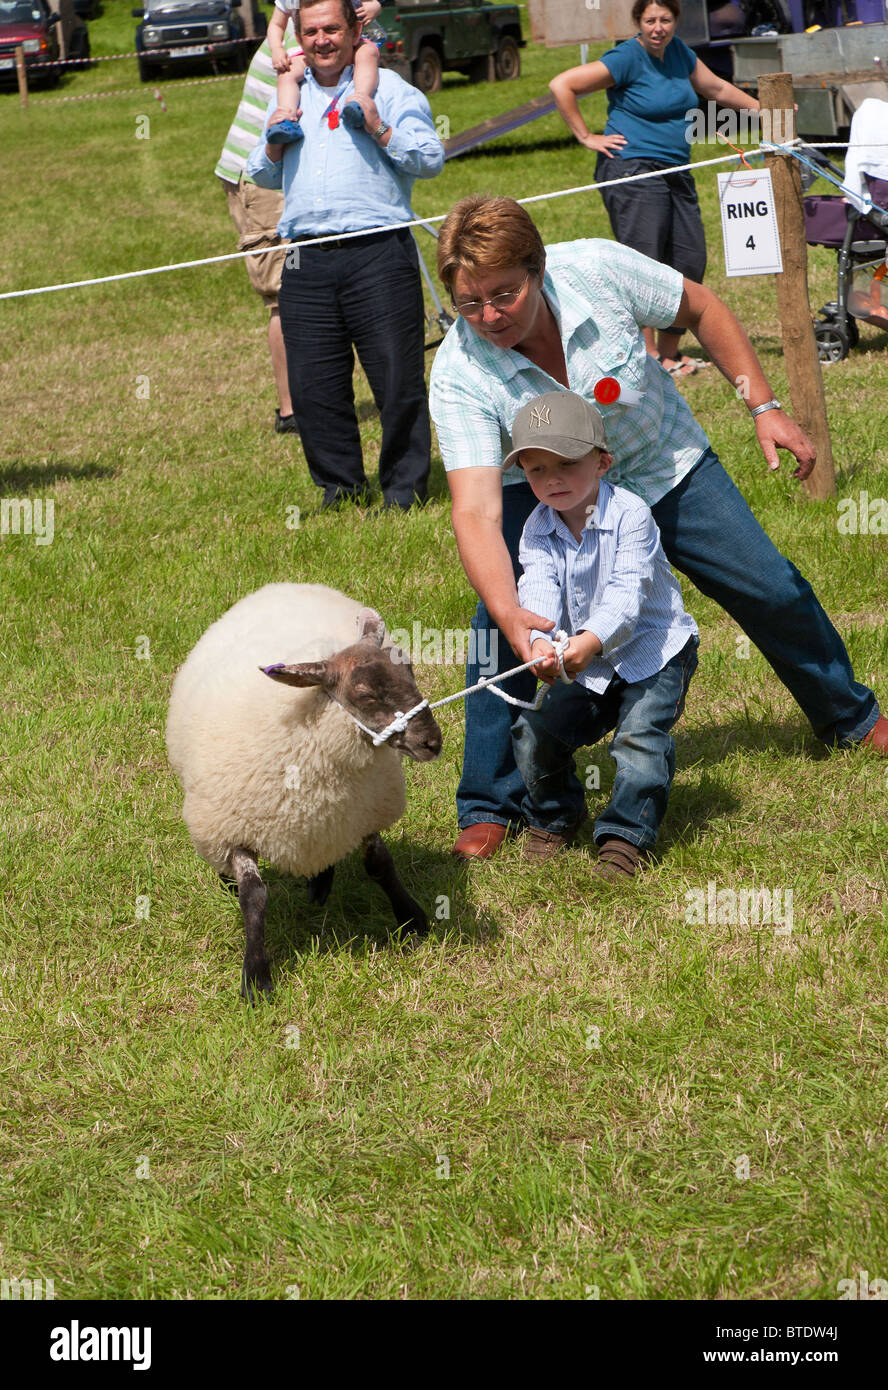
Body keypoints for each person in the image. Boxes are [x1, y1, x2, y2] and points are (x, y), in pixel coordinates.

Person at [427, 195, 887, 861]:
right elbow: (475, 509)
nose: (490, 316)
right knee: (500, 635)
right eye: (471, 303)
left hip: (660, 459)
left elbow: (701, 309)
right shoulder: (461, 369)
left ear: (539, 268)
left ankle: (851, 716)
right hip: (548, 489)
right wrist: (508, 609)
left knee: (769, 585)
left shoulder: (598, 271)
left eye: (504, 294)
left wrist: (763, 405)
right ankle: (490, 805)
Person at [246, 0, 444, 509]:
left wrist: (378, 125)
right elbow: (260, 171)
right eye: (311, 32)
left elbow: (429, 158)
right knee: (313, 385)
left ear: (355, 29)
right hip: (304, 258)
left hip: (377, 251)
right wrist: (272, 145)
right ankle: (341, 490)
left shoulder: (393, 89)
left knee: (397, 379)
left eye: (332, 29)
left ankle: (405, 493)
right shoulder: (290, 93)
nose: (321, 40)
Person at [505, 390, 699, 880]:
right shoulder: (536, 527)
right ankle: (554, 816)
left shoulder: (630, 514)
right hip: (584, 657)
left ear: (602, 461)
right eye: (535, 469)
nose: (551, 480)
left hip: (654, 652)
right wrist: (542, 646)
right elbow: (539, 590)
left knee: (638, 741)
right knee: (534, 732)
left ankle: (625, 837)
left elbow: (625, 599)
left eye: (566, 463)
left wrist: (586, 643)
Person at [549, 0, 760, 377]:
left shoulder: (679, 53)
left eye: (665, 19)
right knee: (643, 261)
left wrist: (768, 110)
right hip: (634, 169)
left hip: (677, 167)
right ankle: (645, 356)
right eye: (650, 20)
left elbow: (716, 87)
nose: (658, 27)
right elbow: (562, 84)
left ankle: (670, 353)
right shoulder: (625, 58)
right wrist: (585, 135)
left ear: (676, 21)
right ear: (638, 23)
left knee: (689, 258)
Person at [215, 32, 303, 434]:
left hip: (265, 173)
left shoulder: (294, 23)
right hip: (260, 178)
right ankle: (290, 412)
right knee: (283, 296)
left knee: (295, 289)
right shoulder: (304, 34)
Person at [266, 0, 383, 145]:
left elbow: (372, 3)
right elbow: (276, 24)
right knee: (287, 72)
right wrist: (276, 48)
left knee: (367, 53)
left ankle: (360, 100)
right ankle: (285, 117)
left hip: (353, 42)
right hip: (312, 50)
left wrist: (374, 8)